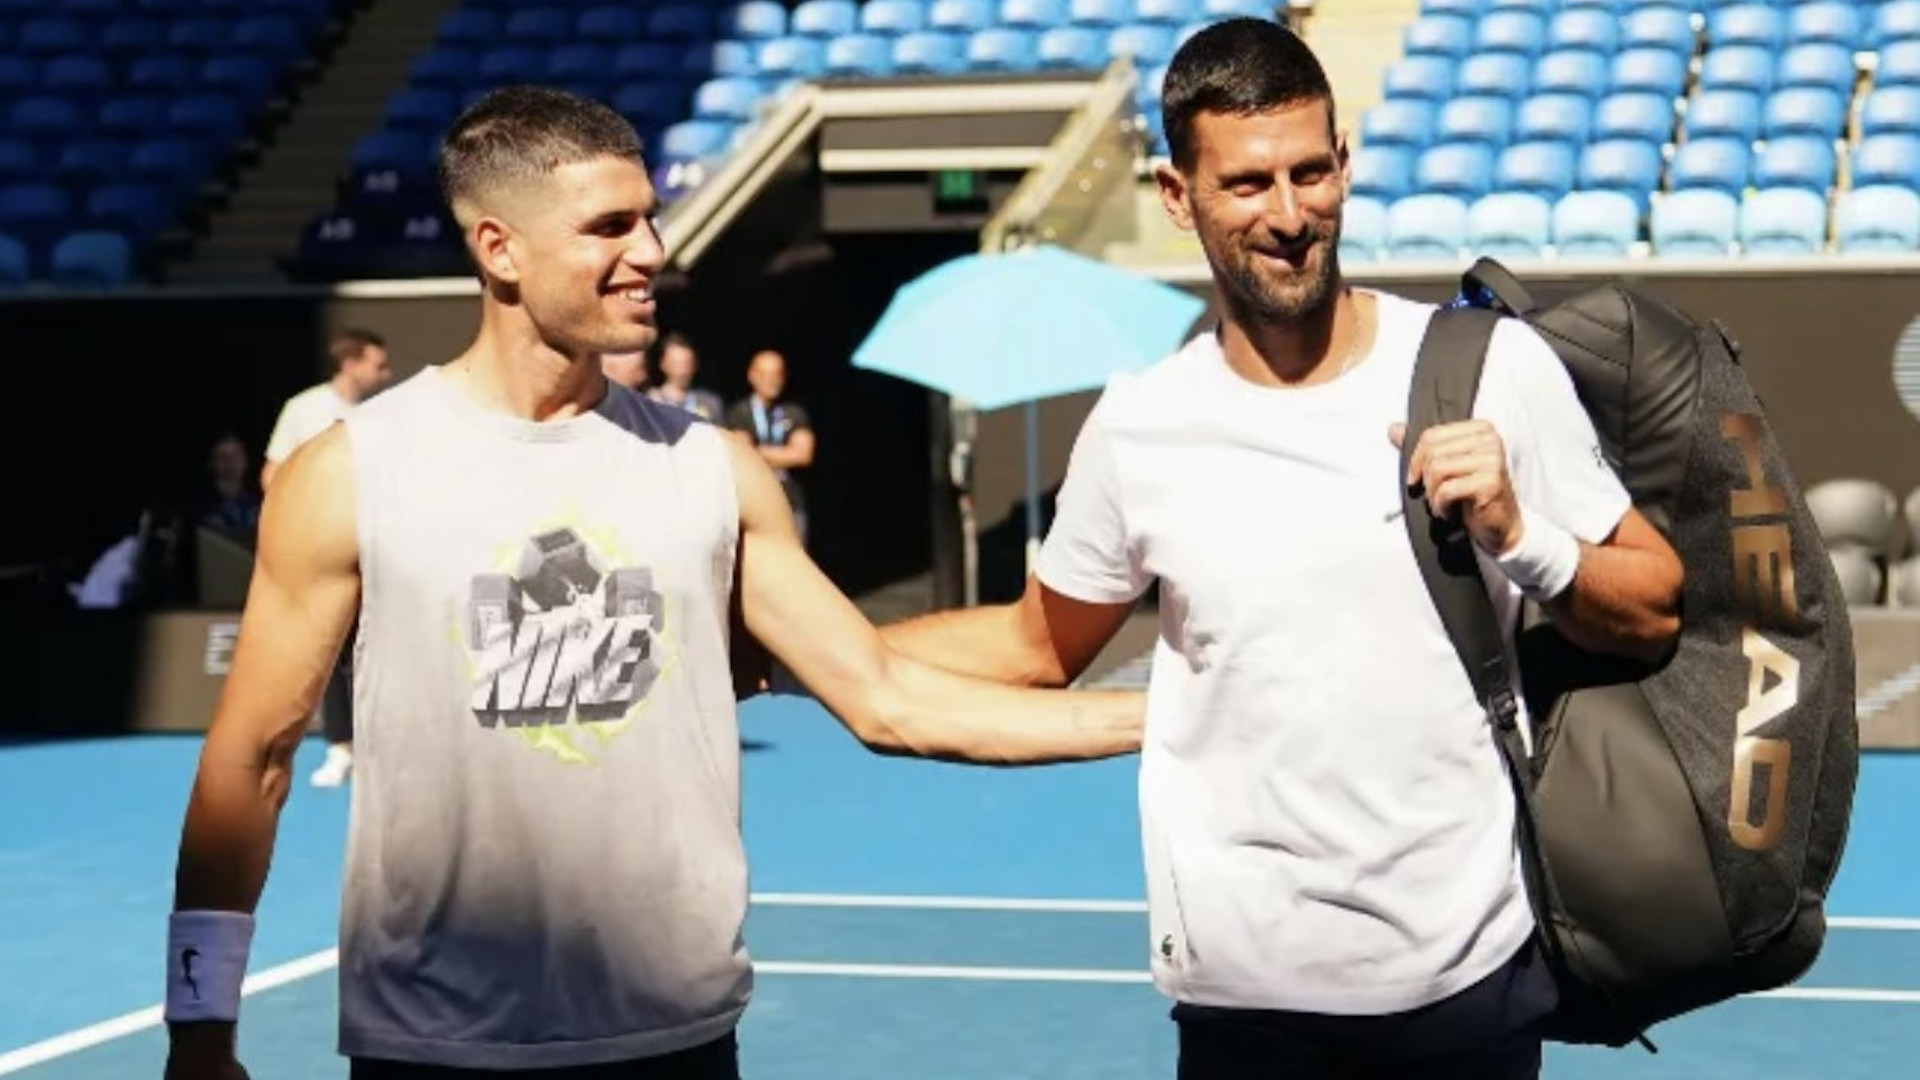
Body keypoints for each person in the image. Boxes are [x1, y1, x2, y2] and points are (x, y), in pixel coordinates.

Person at [162, 85, 1141, 1080]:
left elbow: (885, 696)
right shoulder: (352, 469)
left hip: (675, 1044)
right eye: (610, 227)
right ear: (500, 250)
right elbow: (252, 759)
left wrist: (1169, 713)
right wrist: (199, 1028)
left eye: (651, 219)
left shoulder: (713, 467)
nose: (652, 252)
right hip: (433, 1051)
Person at [880, 20, 1684, 1080]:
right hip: (1241, 1005)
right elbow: (1036, 648)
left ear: (1345, 163)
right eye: (1249, 184)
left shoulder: (1490, 366)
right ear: (1179, 197)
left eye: (1312, 172)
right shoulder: (1139, 425)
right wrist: (811, 642)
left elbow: (1656, 605)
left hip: (1467, 988)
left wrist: (1521, 536)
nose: (1291, 215)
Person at [263, 327, 394, 788]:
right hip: (322, 551)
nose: (386, 373)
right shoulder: (304, 409)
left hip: (380, 550)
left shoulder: (387, 413)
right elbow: (273, 474)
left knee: (380, 649)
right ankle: (342, 749)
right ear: (351, 363)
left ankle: (383, 748)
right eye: (378, 364)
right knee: (333, 650)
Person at [724, 350, 812, 543]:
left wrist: (759, 450)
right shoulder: (738, 413)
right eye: (765, 374)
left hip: (790, 502)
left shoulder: (794, 411)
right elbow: (743, 454)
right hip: (753, 503)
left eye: (777, 374)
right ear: (752, 376)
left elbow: (803, 454)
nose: (772, 380)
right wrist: (784, 454)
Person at [647, 332, 724, 422]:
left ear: (695, 365)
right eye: (677, 364)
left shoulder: (710, 403)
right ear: (663, 364)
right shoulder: (650, 402)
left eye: (687, 364)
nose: (683, 371)